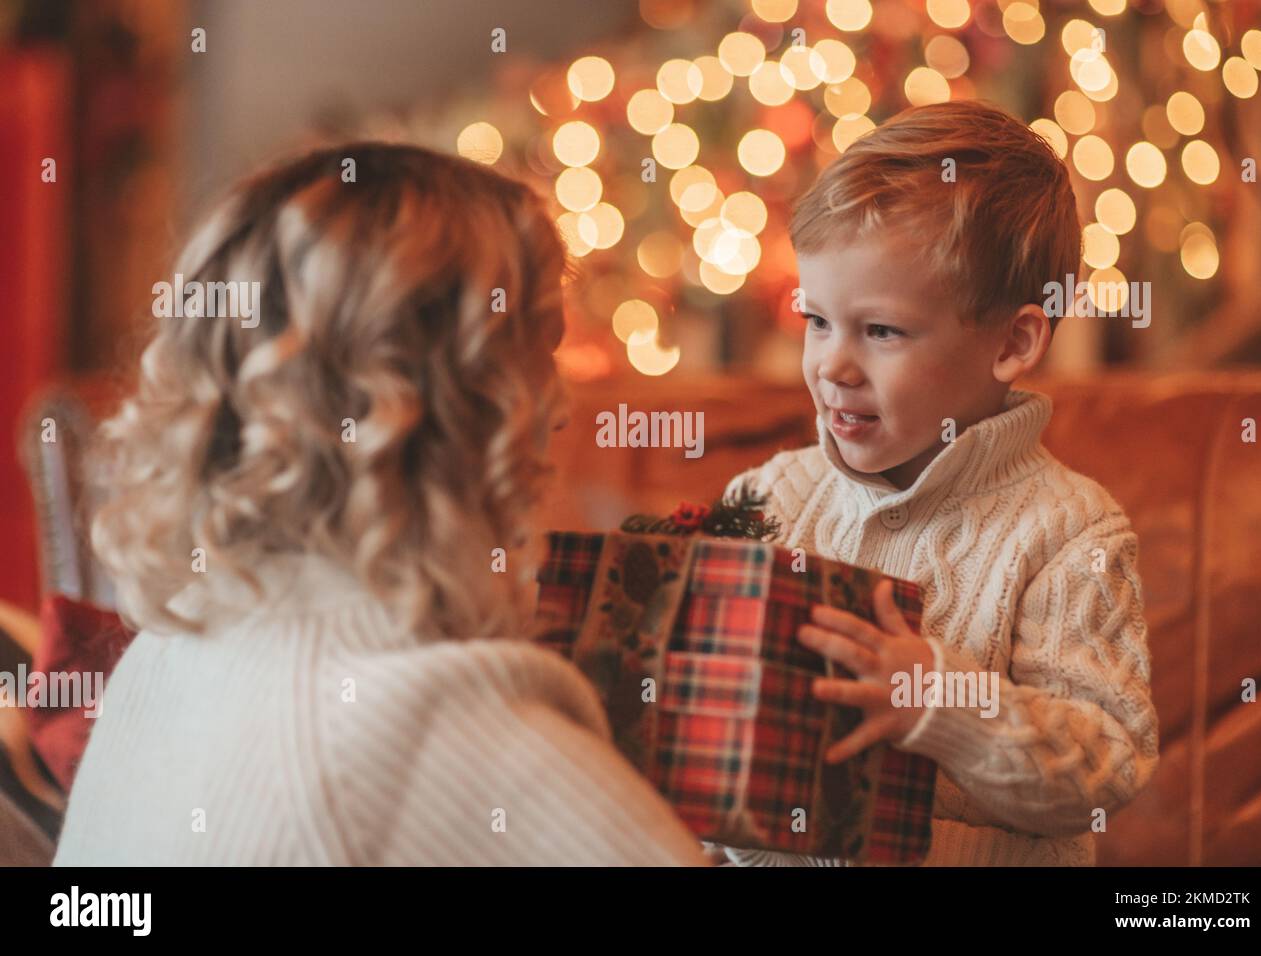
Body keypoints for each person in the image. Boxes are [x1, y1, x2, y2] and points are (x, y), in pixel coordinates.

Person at [54, 143, 706, 866]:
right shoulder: (428, 717)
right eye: (538, 355)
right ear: (458, 405)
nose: (558, 409)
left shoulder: (167, 655)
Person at [716, 101, 1160, 866]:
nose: (832, 365)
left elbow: (1107, 759)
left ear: (1013, 341)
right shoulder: (767, 501)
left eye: (880, 331)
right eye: (816, 321)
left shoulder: (1069, 530)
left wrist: (939, 699)